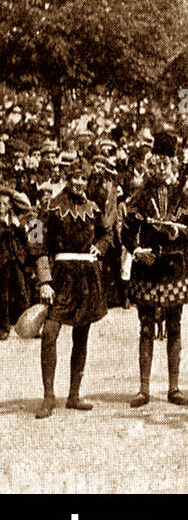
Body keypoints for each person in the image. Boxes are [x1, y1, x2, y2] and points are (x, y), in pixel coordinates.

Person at [123, 131, 188, 408]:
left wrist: (177, 231)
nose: (160, 168)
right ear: (151, 164)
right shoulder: (140, 196)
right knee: (145, 328)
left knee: (175, 327)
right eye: (156, 163)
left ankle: (174, 387)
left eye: (166, 163)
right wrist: (136, 251)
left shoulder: (185, 195)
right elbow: (127, 231)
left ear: (173, 164)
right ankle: (143, 389)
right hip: (147, 269)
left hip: (174, 269)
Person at [33, 158, 111, 418]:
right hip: (61, 278)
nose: (79, 182)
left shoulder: (93, 208)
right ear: (67, 179)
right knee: (49, 334)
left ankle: (74, 394)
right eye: (75, 178)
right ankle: (48, 397)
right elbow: (35, 236)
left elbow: (107, 234)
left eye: (83, 178)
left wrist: (99, 248)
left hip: (87, 279)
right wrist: (44, 280)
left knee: (82, 337)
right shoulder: (51, 206)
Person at [0, 184, 31, 339]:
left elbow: (27, 207)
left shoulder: (16, 220)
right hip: (2, 263)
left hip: (16, 261)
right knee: (3, 295)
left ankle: (29, 326)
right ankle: (3, 329)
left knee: (22, 293)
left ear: (10, 205)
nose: (1, 207)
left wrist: (11, 192)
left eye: (4, 204)